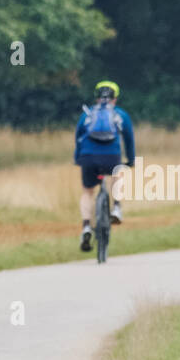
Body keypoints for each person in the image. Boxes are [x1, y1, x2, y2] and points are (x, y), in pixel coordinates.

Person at [74, 81, 134, 252]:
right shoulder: (120, 114)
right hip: (111, 156)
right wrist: (130, 160)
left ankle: (86, 226)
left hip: (88, 156)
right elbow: (129, 139)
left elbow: (78, 137)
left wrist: (78, 158)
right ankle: (116, 207)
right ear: (115, 98)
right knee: (117, 173)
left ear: (97, 97)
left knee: (87, 191)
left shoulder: (87, 114)